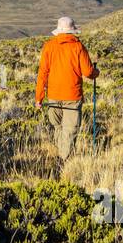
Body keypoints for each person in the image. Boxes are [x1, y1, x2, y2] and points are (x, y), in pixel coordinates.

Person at [35, 16, 98, 165]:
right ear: (72, 31)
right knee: (70, 131)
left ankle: (61, 157)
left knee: (58, 128)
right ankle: (64, 162)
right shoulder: (78, 47)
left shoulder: (49, 46)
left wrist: (39, 98)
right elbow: (88, 72)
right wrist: (96, 72)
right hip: (72, 96)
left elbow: (42, 74)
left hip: (53, 96)